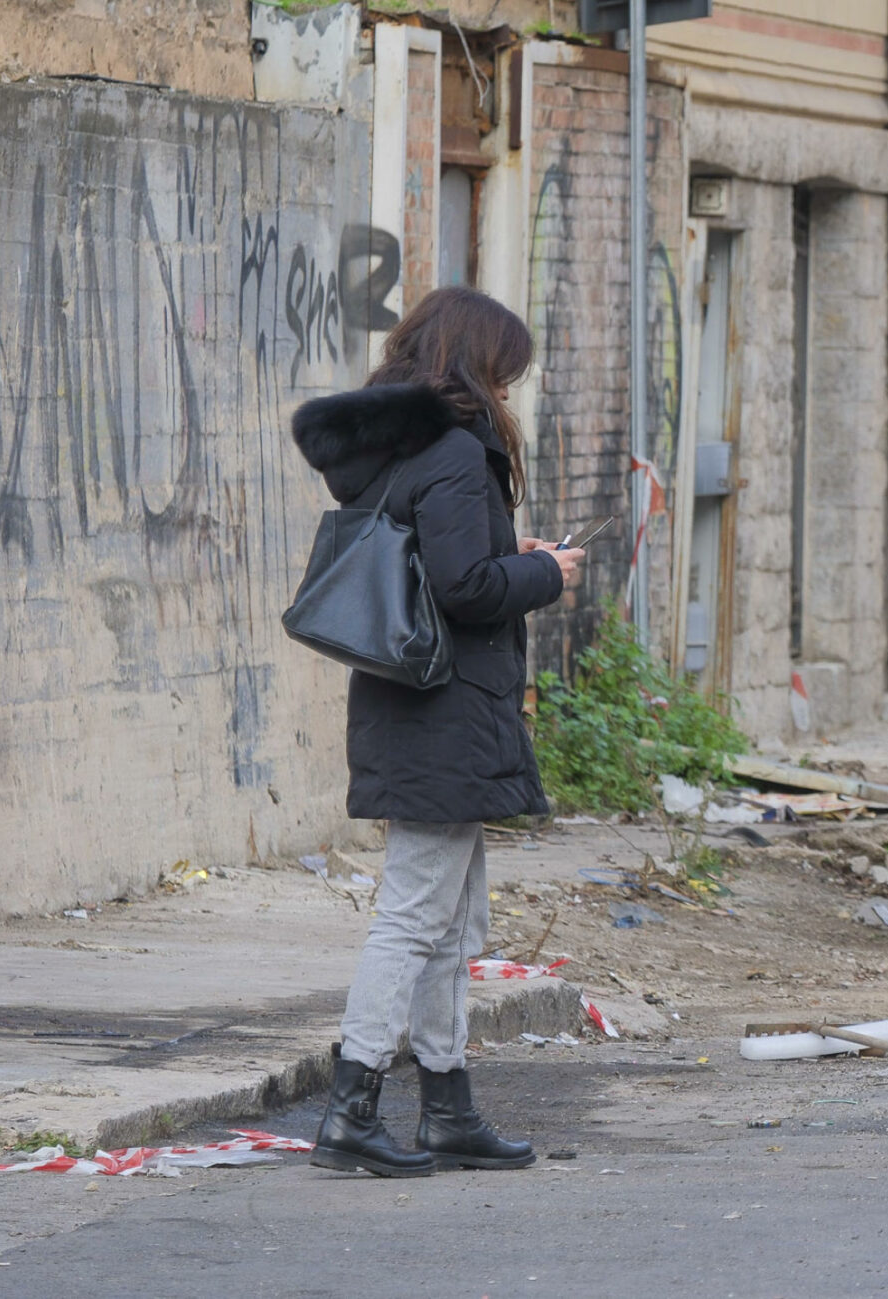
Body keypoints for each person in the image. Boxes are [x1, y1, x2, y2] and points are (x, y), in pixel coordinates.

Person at [289, 286, 586, 1179]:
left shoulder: (396, 452)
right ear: (475, 364)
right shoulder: (458, 453)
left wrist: (509, 551)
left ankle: (448, 1105)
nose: (510, 389)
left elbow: (434, 564)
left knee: (457, 919)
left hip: (412, 706)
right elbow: (466, 590)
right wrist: (544, 573)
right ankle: (353, 1108)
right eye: (506, 371)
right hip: (446, 713)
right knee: (416, 915)